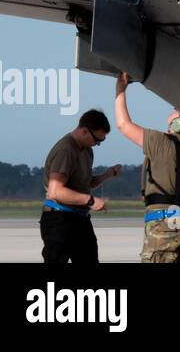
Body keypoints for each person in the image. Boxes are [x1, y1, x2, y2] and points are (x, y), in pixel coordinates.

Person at [114, 73, 180, 262]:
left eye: (177, 110)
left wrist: (120, 90)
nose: (173, 109)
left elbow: (123, 125)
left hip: (164, 224)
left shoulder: (160, 142)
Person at [41, 109, 122, 263]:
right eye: (97, 139)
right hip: (59, 220)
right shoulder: (66, 150)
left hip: (79, 218)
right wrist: (90, 201)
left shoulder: (87, 150)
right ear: (85, 131)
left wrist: (107, 174)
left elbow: (85, 184)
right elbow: (55, 191)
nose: (98, 144)